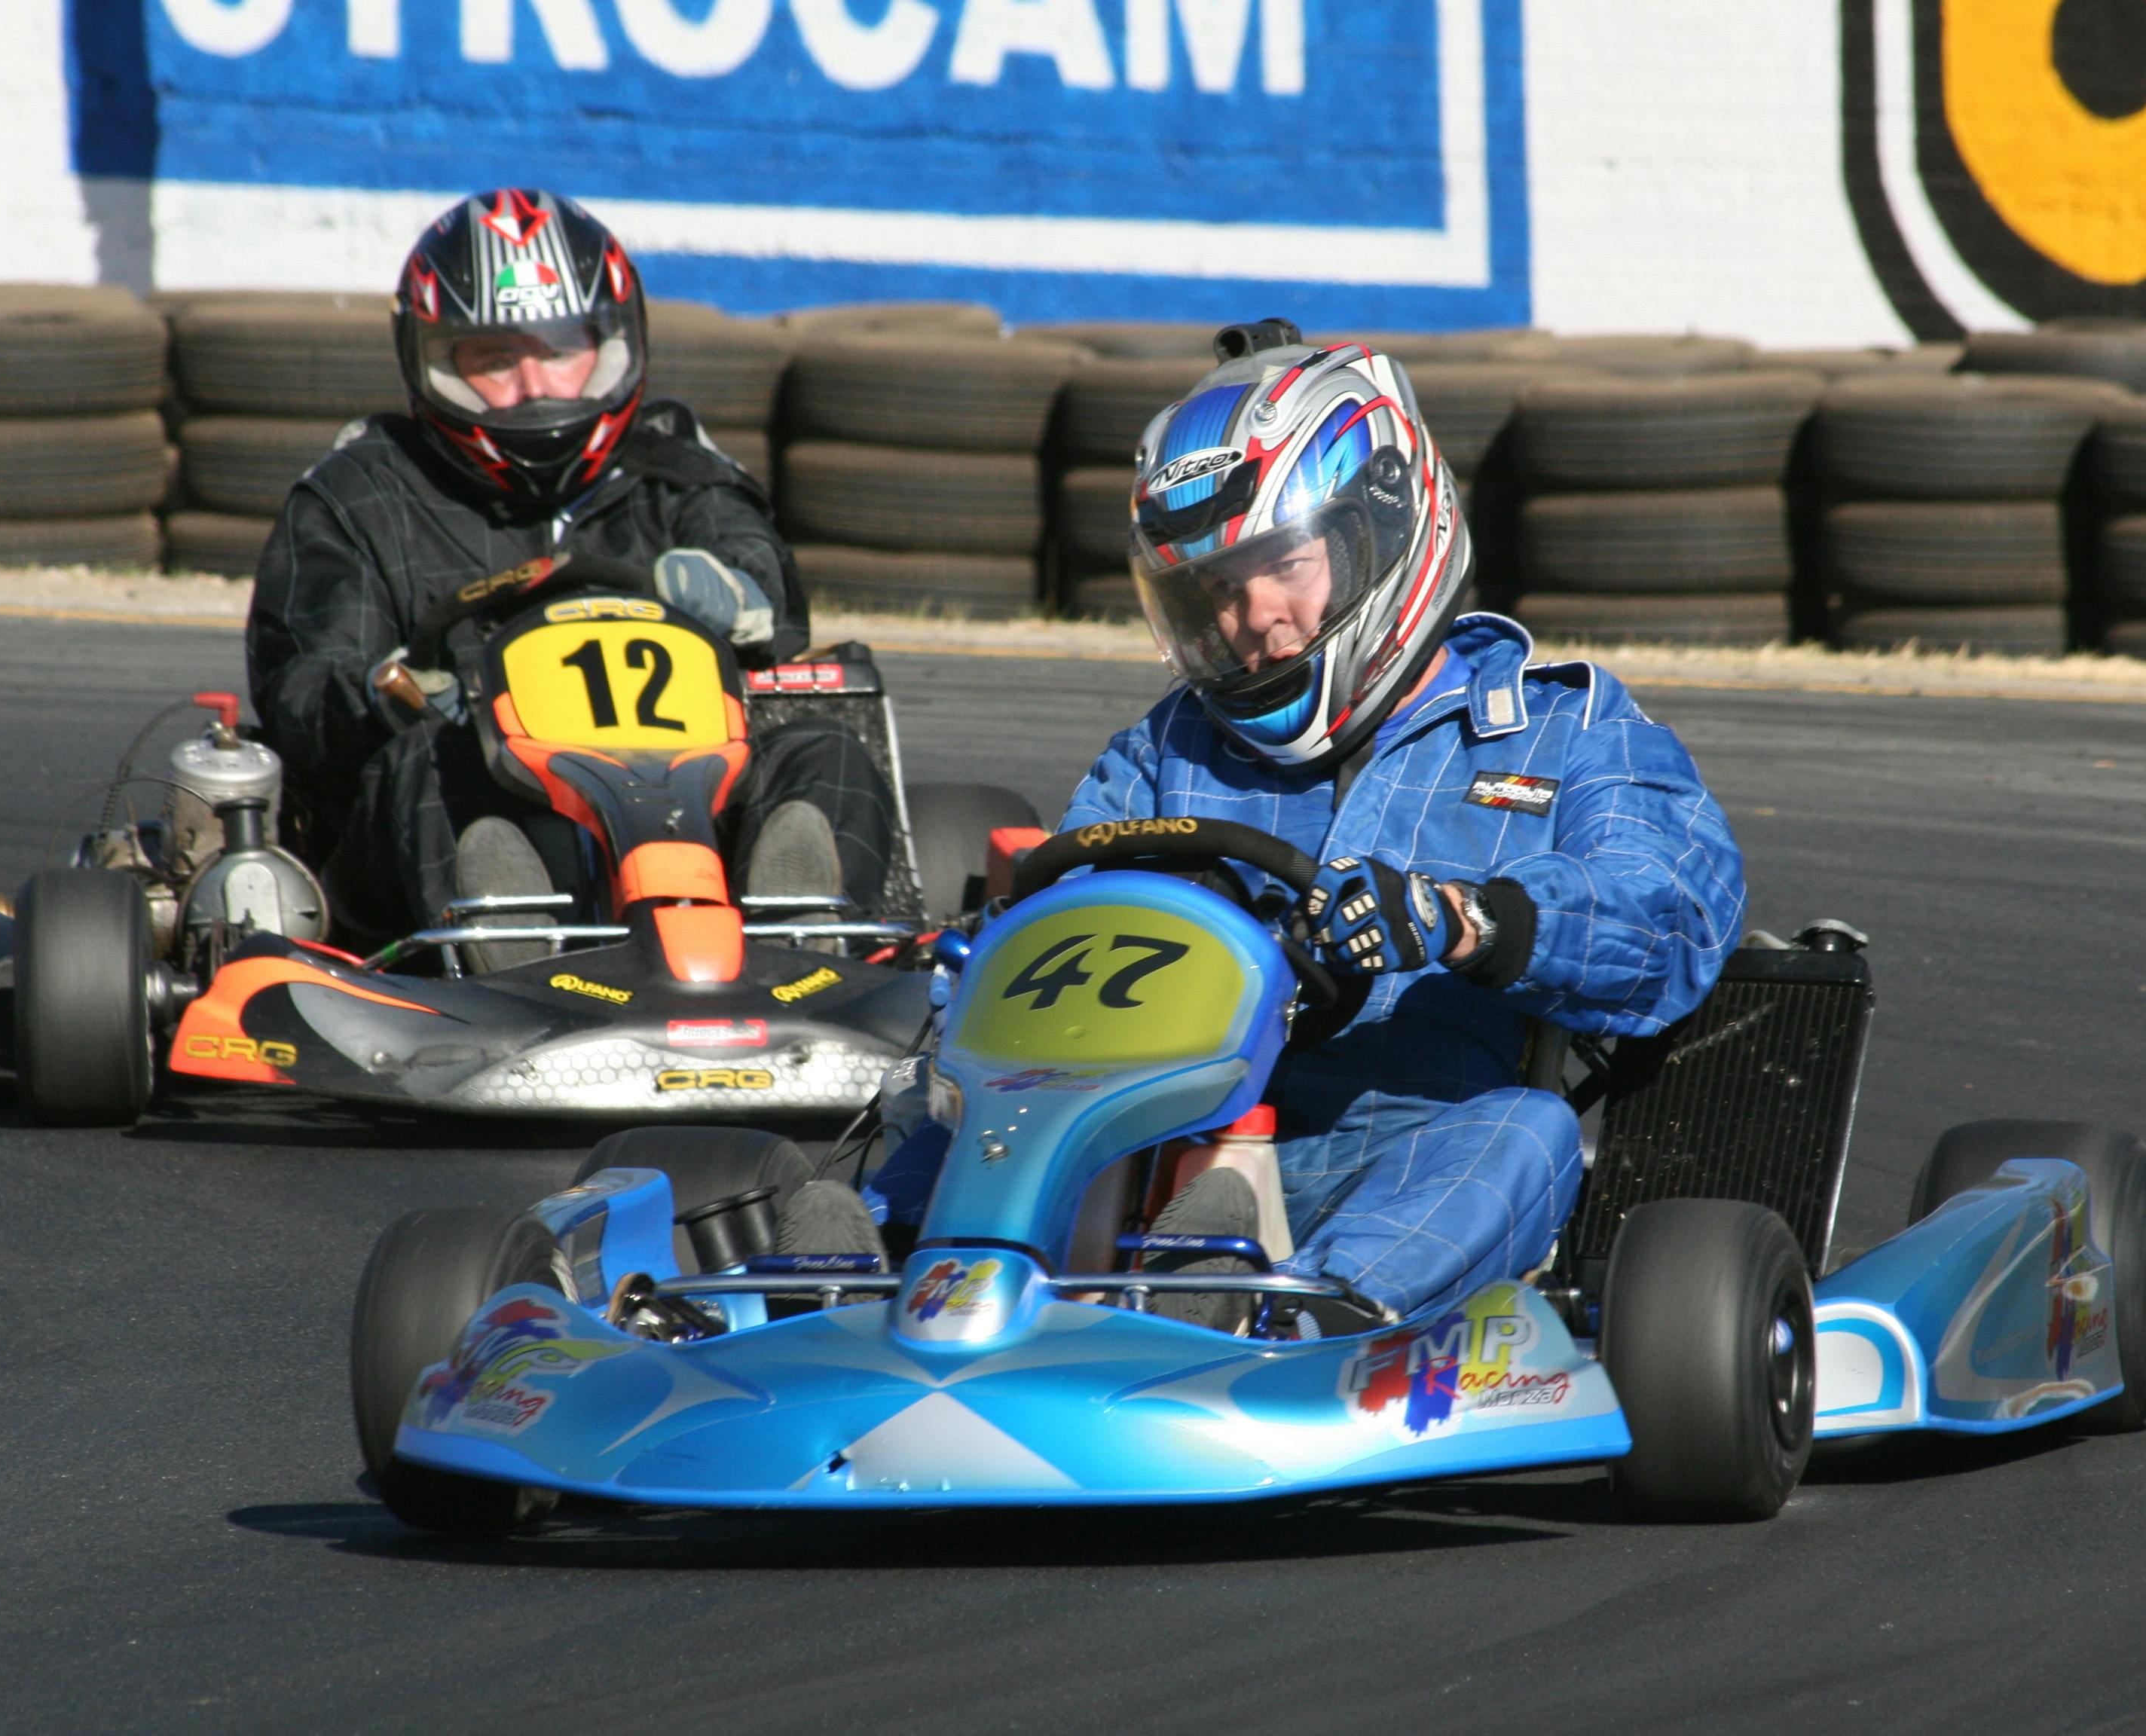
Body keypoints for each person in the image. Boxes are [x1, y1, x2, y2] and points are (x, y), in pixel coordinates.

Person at [871, 319, 1747, 1327]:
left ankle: (1306, 1324)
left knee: (1524, 1128)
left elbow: (1675, 914)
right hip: (1142, 1141)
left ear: (1382, 529)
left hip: (1402, 1148)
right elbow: (1063, 919)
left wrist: (1465, 920)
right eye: (1217, 590)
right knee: (955, 1111)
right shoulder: (1168, 749)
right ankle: (861, 1281)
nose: (1254, 621)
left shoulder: (1564, 728)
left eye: (1284, 567)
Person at [245, 188, 894, 963]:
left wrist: (734, 593)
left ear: (611, 347)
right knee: (433, 763)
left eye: (557, 351)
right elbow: (302, 689)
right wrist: (388, 693)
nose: (533, 386)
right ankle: (509, 952)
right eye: (495, 360)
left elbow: (765, 590)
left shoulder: (676, 471)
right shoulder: (362, 495)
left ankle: (801, 951)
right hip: (460, 813)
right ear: (436, 364)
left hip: (688, 803)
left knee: (824, 753)